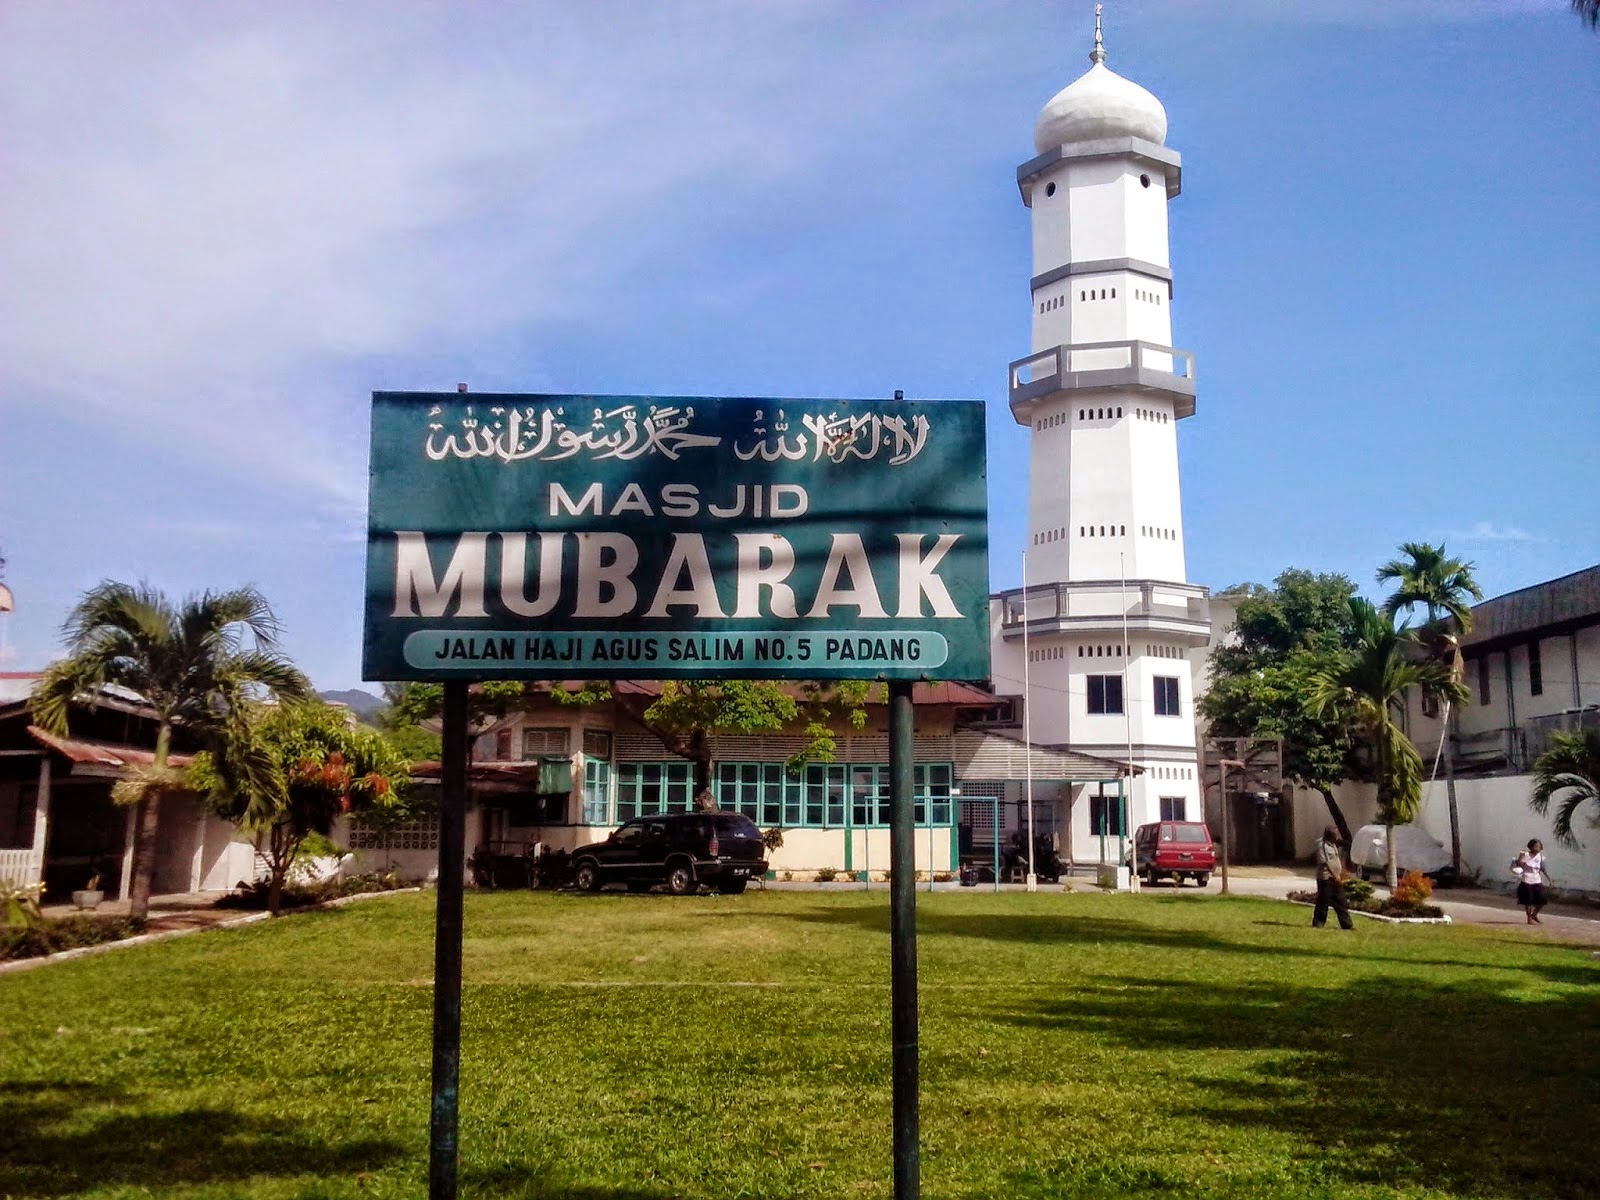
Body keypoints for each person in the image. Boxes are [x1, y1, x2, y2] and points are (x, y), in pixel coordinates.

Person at [1312, 825, 1354, 931]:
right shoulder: (1322, 846)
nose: (1337, 837)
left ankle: (1347, 925)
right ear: (1329, 836)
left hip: (1336, 878)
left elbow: (1336, 859)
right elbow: (1326, 863)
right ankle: (1318, 923)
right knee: (1323, 901)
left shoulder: (1333, 845)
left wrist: (1341, 872)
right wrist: (1335, 876)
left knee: (1340, 901)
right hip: (1326, 878)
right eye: (1335, 835)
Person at [1512, 838, 1553, 924]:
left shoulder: (1540, 856)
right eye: (1535, 846)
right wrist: (1521, 857)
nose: (1537, 848)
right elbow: (1520, 865)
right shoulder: (1526, 855)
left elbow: (1543, 868)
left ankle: (1534, 914)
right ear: (1531, 847)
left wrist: (1549, 879)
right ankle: (1529, 918)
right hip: (1526, 880)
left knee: (1542, 899)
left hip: (1536, 880)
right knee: (1528, 901)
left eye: (1539, 847)